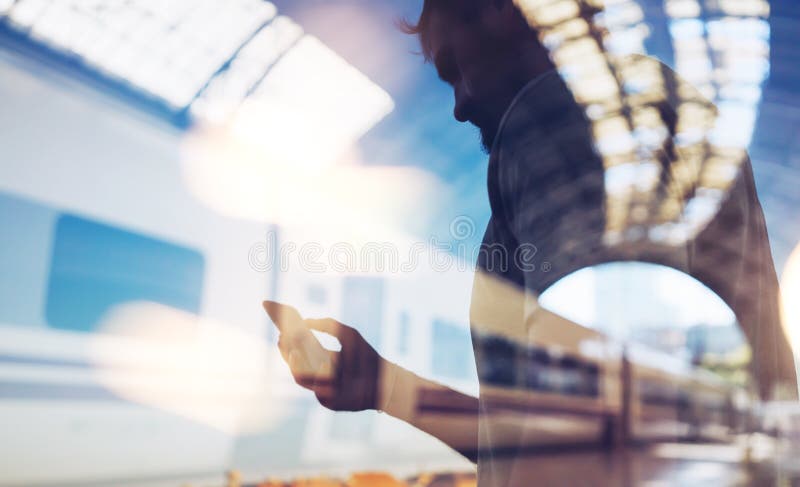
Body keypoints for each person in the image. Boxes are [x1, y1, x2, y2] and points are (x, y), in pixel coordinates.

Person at [264, 0, 797, 484]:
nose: (459, 105)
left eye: (453, 69)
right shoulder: (636, 109)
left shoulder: (559, 112)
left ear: (499, 9)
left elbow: (606, 435)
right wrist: (386, 387)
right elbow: (568, 432)